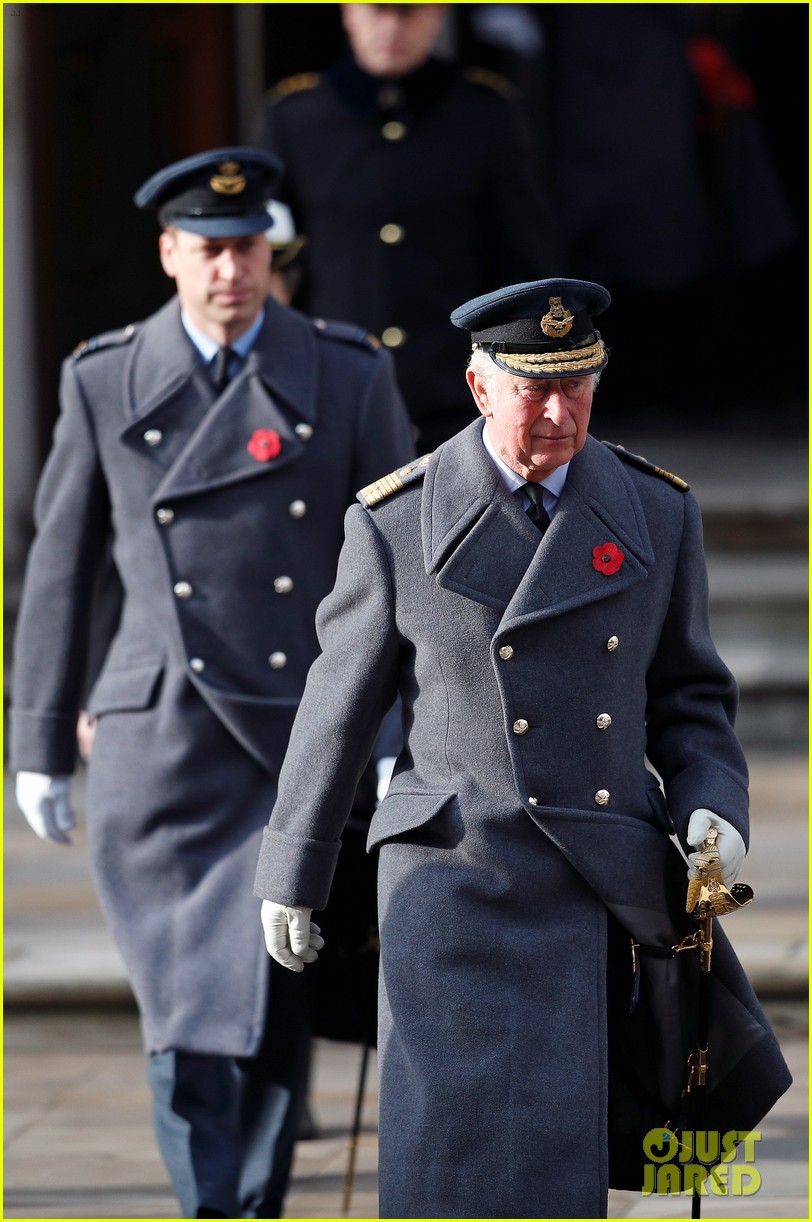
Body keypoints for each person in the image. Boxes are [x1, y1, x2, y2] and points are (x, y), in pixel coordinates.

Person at [253, 278, 791, 1217]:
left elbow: (691, 696)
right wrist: (291, 868)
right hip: (450, 879)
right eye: (533, 387)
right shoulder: (395, 521)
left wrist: (714, 800)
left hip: (599, 883)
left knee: (564, 1167)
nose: (558, 410)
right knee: (447, 1162)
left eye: (578, 384)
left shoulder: (658, 513)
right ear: (478, 387)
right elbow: (333, 709)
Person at [9, 146, 415, 1219]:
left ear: (269, 255)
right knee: (181, 1003)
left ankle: (245, 1204)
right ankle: (213, 1200)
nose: (230, 271)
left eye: (246, 250)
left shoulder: (345, 370)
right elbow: (61, 560)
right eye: (207, 251)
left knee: (274, 998)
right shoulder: (103, 376)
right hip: (158, 742)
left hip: (298, 736)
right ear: (168, 255)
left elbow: (395, 561)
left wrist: (388, 719)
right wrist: (39, 737)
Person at [253, 2, 561, 451]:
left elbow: (524, 261)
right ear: (348, 13)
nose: (392, 26)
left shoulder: (484, 113)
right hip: (331, 390)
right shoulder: (296, 116)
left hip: (459, 395)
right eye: (378, 10)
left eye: (409, 11)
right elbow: (269, 262)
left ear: (437, 15)